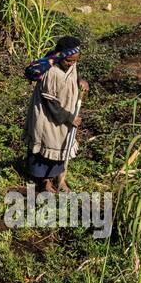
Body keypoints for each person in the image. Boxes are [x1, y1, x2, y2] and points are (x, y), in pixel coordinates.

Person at [23, 36, 88, 192]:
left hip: (64, 112)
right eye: (69, 61)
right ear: (60, 56)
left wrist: (80, 80)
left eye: (75, 61)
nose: (72, 64)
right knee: (47, 144)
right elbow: (50, 103)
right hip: (48, 116)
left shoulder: (70, 63)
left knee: (61, 144)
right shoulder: (52, 73)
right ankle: (44, 181)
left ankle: (60, 178)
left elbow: (73, 73)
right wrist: (69, 117)